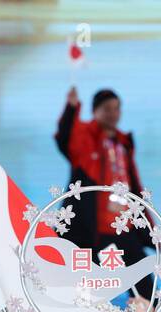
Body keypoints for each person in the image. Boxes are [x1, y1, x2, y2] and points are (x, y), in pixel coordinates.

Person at [55, 87, 144, 255]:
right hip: (96, 231)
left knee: (144, 280)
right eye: (107, 109)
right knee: (92, 279)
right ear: (95, 111)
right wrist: (71, 108)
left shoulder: (123, 143)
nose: (113, 113)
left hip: (124, 227)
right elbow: (65, 137)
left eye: (116, 108)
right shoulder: (86, 140)